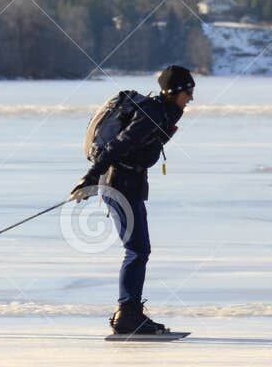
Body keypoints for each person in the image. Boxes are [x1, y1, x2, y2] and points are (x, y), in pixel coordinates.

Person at [70, 64, 195, 335]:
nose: (191, 98)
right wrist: (91, 176)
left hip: (130, 184)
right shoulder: (151, 114)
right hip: (119, 185)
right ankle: (128, 314)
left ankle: (130, 312)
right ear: (174, 91)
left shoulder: (162, 112)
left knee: (139, 249)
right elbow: (118, 145)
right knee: (137, 250)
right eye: (188, 92)